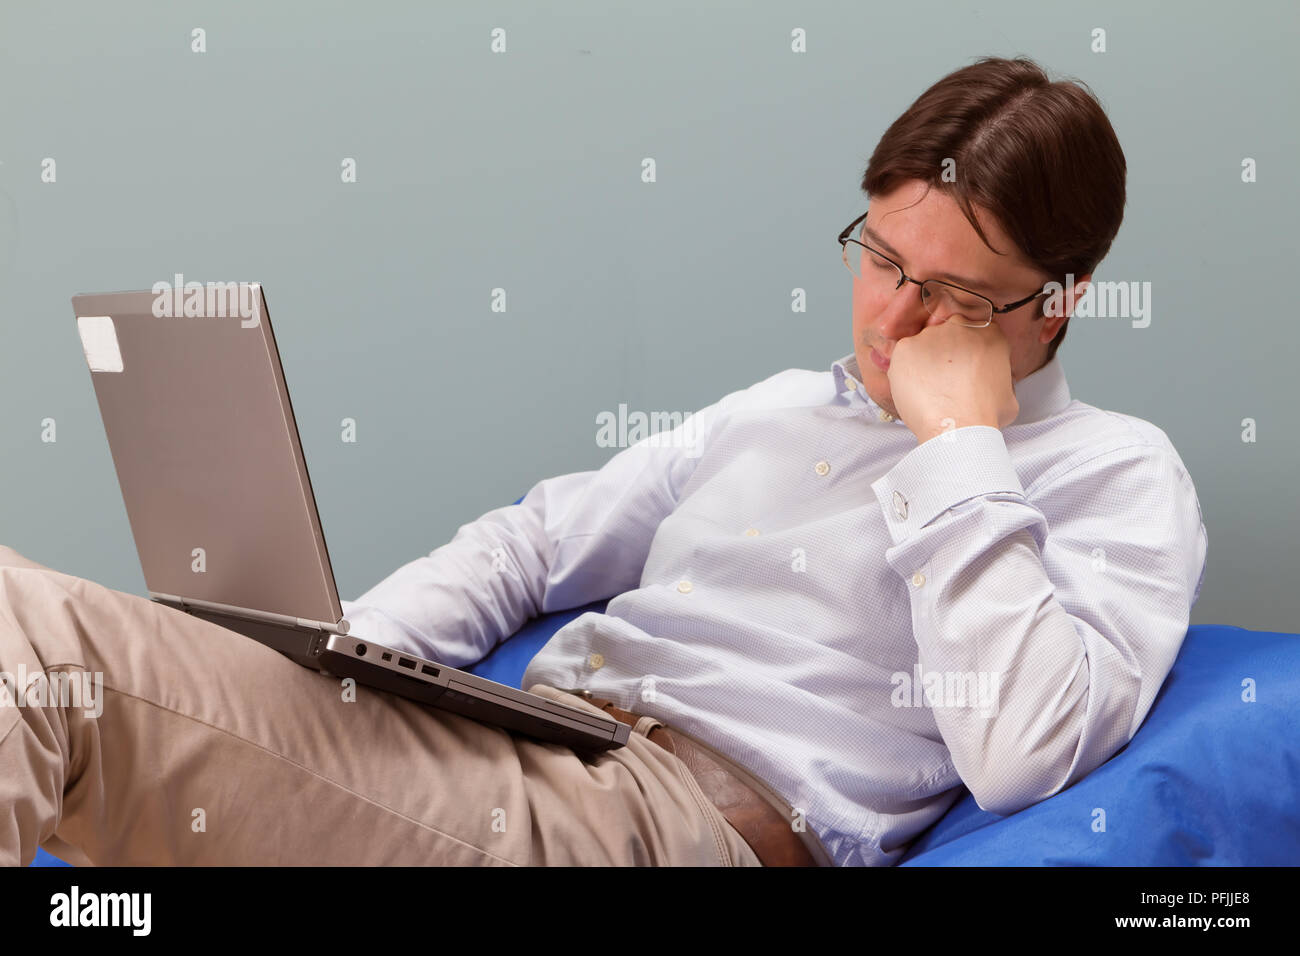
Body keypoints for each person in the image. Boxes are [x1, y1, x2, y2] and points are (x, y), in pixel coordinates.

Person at [0, 55, 1206, 867]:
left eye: (948, 295)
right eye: (882, 258)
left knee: (31, 642)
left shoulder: (1113, 475)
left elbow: (1018, 755)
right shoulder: (776, 409)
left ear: (1058, 301)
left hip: (664, 827)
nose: (891, 319)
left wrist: (960, 444)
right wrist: (347, 656)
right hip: (522, 740)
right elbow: (534, 542)